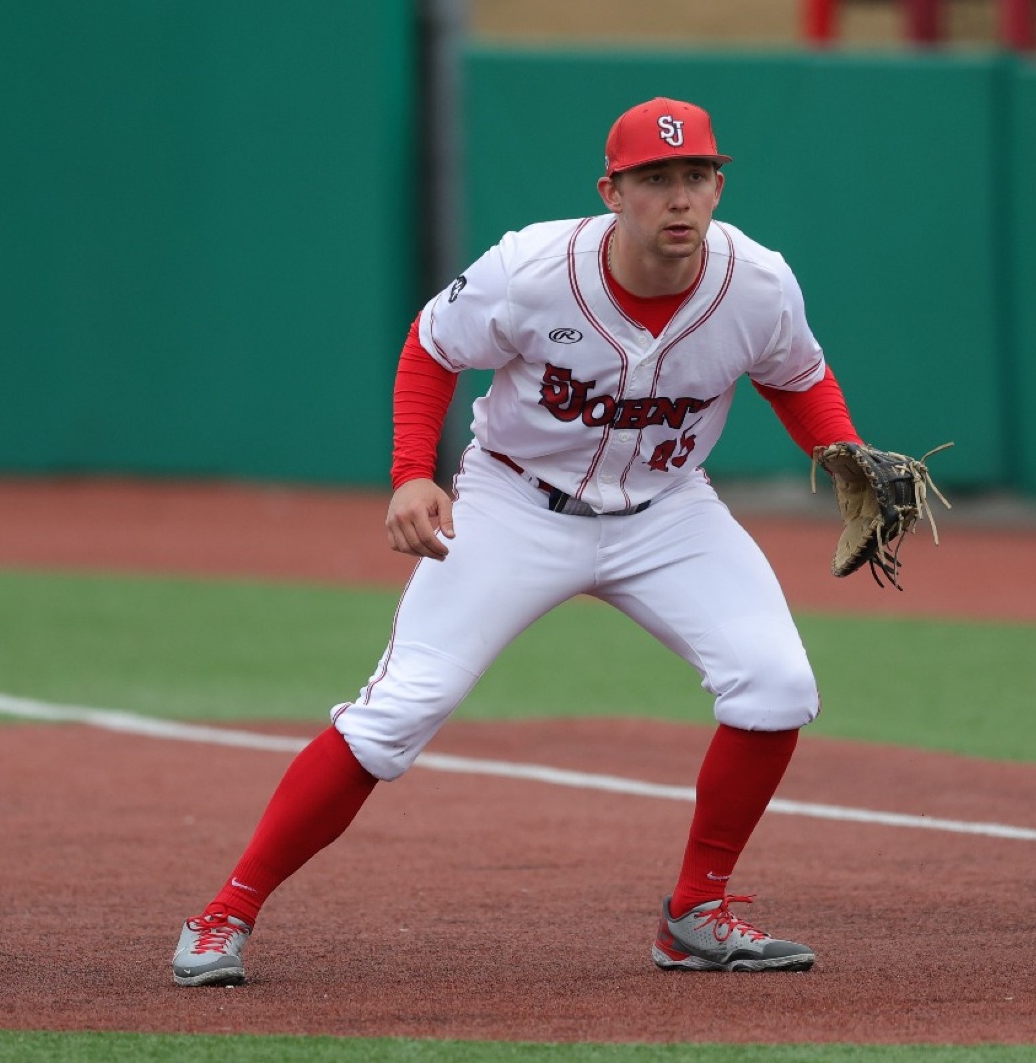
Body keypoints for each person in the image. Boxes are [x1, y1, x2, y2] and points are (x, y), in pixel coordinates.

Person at [172, 97, 885, 984]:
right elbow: (432, 346)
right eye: (654, 180)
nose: (679, 199)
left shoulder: (759, 282)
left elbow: (798, 377)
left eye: (695, 177)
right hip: (512, 503)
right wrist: (410, 472)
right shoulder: (535, 267)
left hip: (668, 512)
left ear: (718, 186)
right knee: (396, 715)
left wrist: (840, 449)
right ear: (611, 192)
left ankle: (696, 913)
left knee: (777, 686)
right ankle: (224, 914)